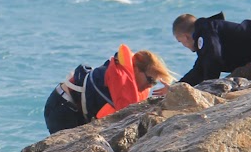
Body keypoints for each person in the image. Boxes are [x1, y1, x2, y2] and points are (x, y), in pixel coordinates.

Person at [43, 46, 172, 134]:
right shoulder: (112, 80)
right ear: (137, 69)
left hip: (73, 108)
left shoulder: (120, 80)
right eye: (150, 80)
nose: (150, 86)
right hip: (61, 108)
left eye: (154, 83)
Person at [171, 13, 251, 86]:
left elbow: (213, 59)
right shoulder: (206, 32)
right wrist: (177, 87)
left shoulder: (206, 31)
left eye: (180, 41)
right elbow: (200, 68)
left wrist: (208, 87)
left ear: (185, 36)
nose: (183, 45)